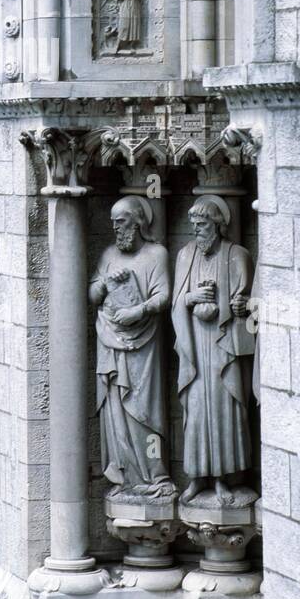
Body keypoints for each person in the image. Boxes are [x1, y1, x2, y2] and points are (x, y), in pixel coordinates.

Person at [171, 194, 255, 506]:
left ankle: (224, 479)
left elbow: (249, 303)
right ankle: (196, 478)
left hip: (223, 349)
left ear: (217, 224)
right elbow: (176, 303)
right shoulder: (185, 255)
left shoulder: (237, 255)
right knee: (195, 412)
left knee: (225, 412)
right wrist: (191, 298)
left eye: (202, 224)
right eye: (193, 225)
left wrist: (241, 306)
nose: (197, 230)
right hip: (194, 348)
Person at [89, 196, 175, 500]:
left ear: (139, 221)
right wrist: (103, 285)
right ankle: (125, 476)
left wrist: (136, 312)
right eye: (113, 222)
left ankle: (155, 475)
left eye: (121, 221)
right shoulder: (109, 254)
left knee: (143, 408)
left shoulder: (156, 255)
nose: (115, 227)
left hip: (143, 342)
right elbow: (93, 293)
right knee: (115, 407)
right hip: (110, 340)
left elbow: (164, 297)